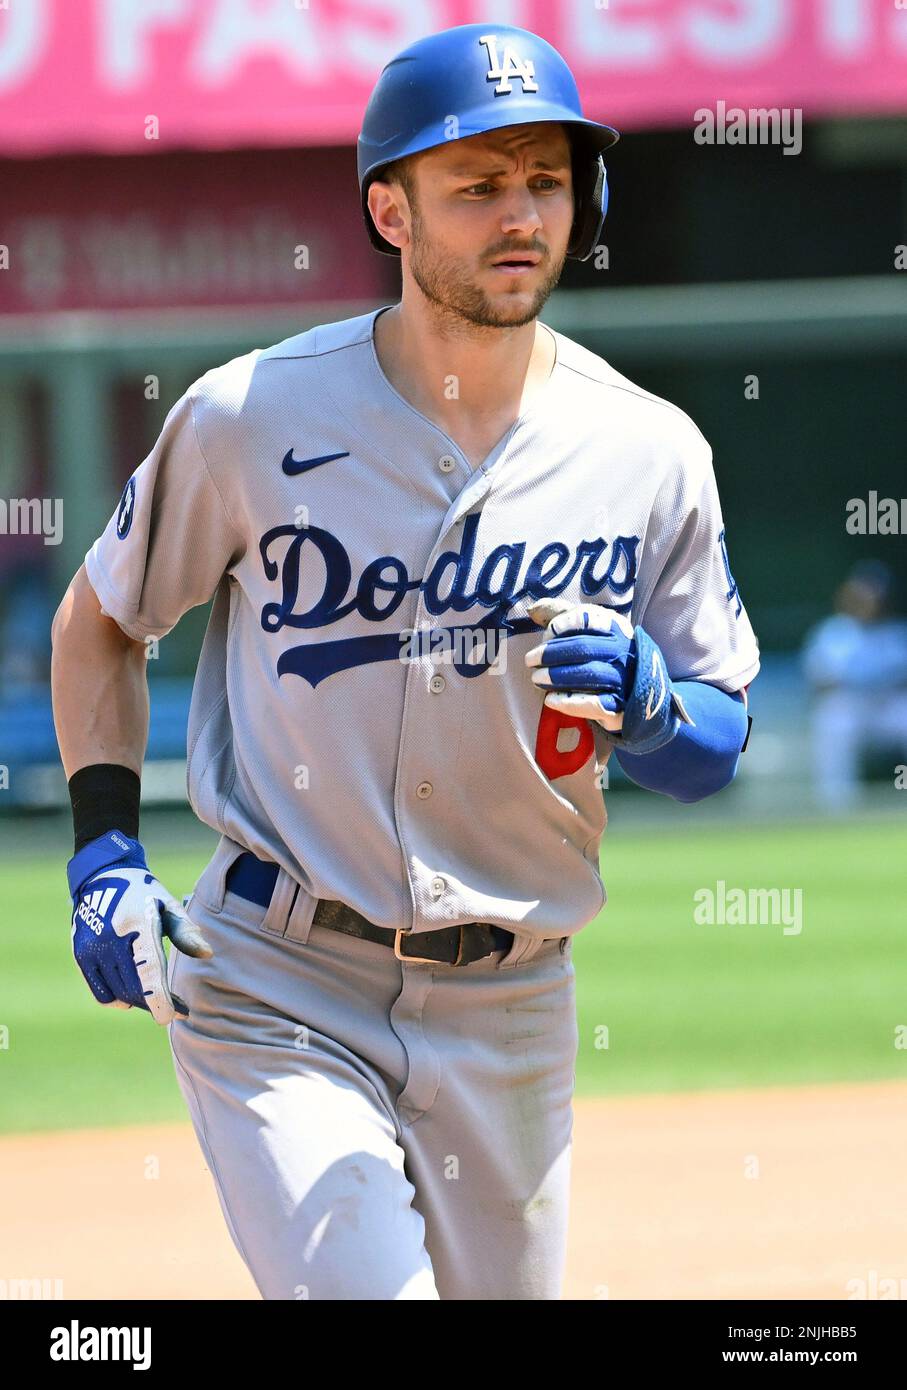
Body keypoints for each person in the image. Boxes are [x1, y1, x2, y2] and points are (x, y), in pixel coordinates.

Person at [51, 23, 759, 1300]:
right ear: (389, 206)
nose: (520, 214)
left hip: (515, 1004)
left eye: (544, 179)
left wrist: (659, 712)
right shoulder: (248, 415)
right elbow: (101, 619)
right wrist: (104, 843)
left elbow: (719, 741)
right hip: (276, 979)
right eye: (475, 184)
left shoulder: (649, 450)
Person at [802, 560, 907, 811]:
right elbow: (820, 682)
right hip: (849, 705)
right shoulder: (832, 632)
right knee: (833, 721)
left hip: (887, 706)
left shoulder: (896, 632)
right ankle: (837, 804)